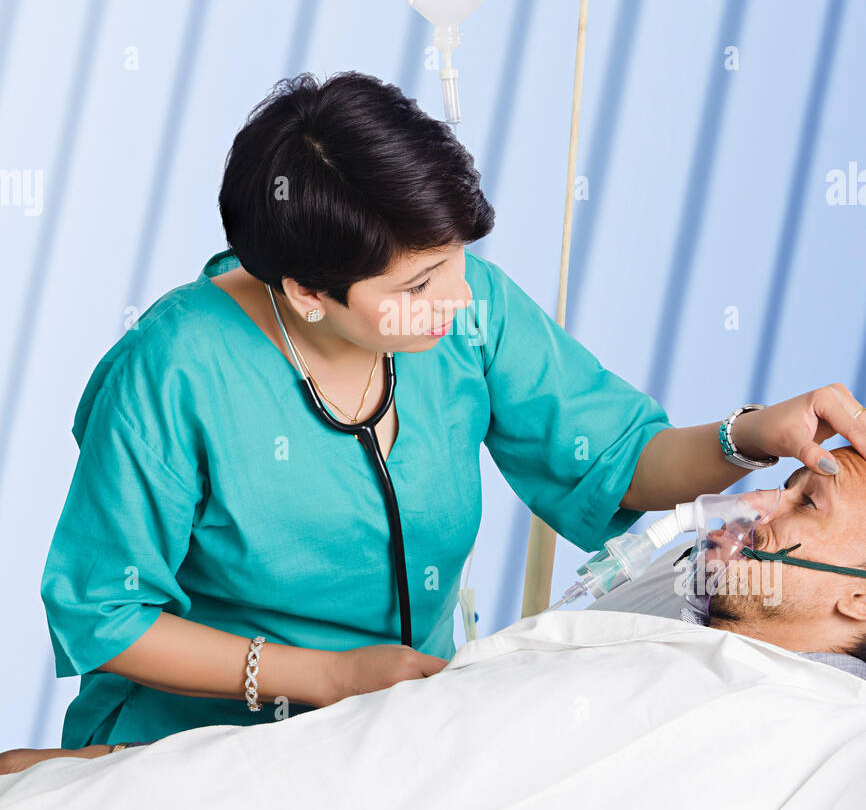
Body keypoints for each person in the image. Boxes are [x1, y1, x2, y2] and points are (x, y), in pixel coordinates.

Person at [3, 70, 865, 774]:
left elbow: (618, 458)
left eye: (457, 259)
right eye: (415, 290)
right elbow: (107, 616)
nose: (457, 301)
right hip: (186, 746)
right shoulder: (175, 370)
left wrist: (746, 436)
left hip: (391, 736)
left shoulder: (467, 311)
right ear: (307, 293)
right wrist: (325, 678)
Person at [681, 445, 866, 680]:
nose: (748, 502)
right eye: (787, 488)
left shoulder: (802, 714)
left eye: (807, 502)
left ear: (860, 599)